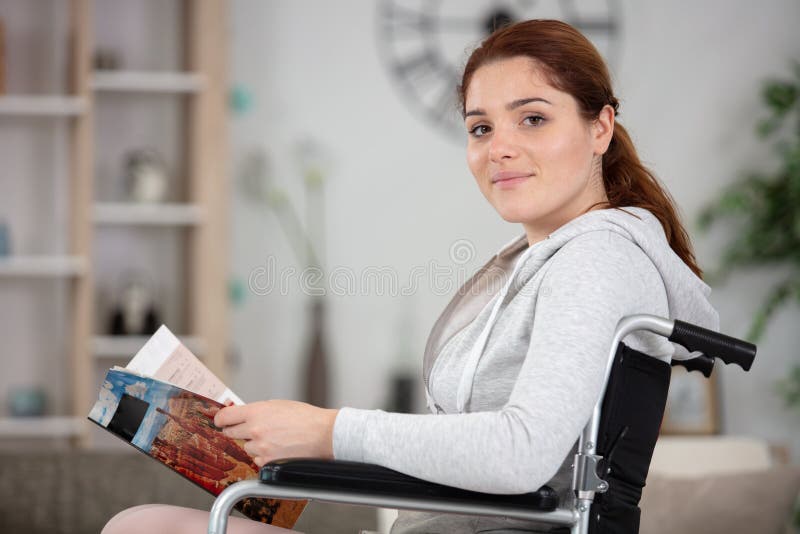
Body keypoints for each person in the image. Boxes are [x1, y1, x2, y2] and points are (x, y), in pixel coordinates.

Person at [102, 18, 718, 534]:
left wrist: (327, 430)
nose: (499, 148)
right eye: (481, 128)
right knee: (146, 524)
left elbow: (523, 453)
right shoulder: (537, 261)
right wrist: (295, 439)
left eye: (532, 118)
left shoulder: (598, 257)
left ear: (599, 128)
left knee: (143, 529)